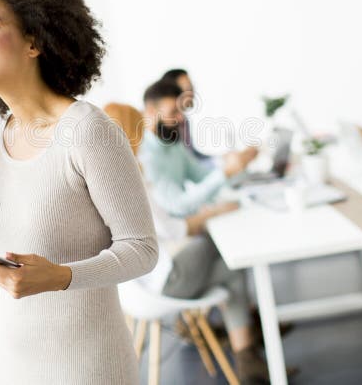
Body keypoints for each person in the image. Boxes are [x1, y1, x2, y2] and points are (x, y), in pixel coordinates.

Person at [0, 0, 158, 385]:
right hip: (17, 368)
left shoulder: (87, 130)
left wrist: (60, 276)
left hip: (90, 367)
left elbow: (142, 249)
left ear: (34, 42)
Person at [104, 103, 292, 384]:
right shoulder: (127, 177)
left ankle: (252, 368)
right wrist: (212, 214)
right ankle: (253, 359)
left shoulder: (109, 176)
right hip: (165, 279)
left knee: (232, 275)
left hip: (140, 285)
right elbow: (173, 229)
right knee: (223, 247)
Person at [139, 80, 258, 218]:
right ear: (151, 112)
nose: (181, 118)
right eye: (174, 111)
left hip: (191, 224)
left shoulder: (174, 144)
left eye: (181, 110)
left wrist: (239, 165)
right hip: (174, 235)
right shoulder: (145, 156)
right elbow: (178, 205)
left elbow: (203, 176)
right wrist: (225, 173)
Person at [160, 68, 210, 161]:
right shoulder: (162, 127)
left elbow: (192, 156)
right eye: (187, 89)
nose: (192, 93)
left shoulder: (184, 121)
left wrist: (220, 160)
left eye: (192, 88)